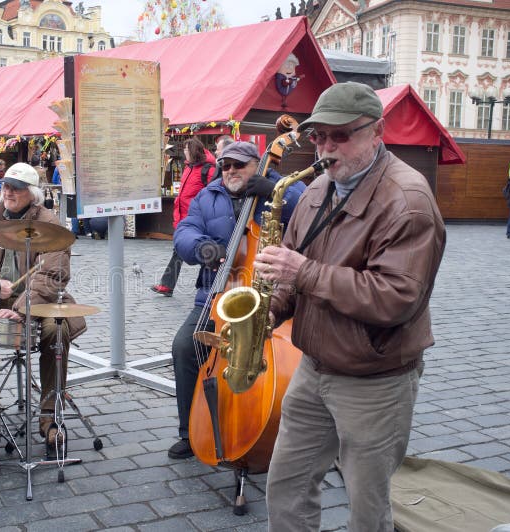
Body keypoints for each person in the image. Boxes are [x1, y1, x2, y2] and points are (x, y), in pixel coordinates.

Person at [252, 82, 446, 531]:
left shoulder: (408, 201)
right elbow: (292, 273)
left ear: (377, 131)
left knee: (367, 507)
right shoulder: (319, 187)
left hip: (375, 380)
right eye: (319, 135)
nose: (325, 146)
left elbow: (396, 298)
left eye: (341, 135)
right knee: (286, 486)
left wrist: (302, 273)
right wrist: (269, 310)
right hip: (314, 368)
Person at [167, 141, 305, 459]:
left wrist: (274, 191)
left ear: (258, 165)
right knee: (185, 347)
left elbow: (313, 211)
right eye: (225, 165)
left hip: (272, 297)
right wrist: (202, 247)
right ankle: (190, 432)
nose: (230, 171)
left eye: (239, 165)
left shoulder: (283, 188)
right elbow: (184, 230)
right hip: (217, 295)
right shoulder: (208, 195)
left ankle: (273, 426)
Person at [0, 162, 86, 450]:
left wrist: (23, 305)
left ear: (32, 193)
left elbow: (55, 274)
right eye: (5, 186)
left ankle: (49, 418)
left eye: (16, 188)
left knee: (57, 330)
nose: (8, 192)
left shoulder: (49, 223)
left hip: (40, 301)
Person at [151, 138, 217, 296]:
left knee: (202, 252)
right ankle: (168, 285)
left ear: (193, 151)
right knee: (180, 250)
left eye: (186, 150)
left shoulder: (208, 169)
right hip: (183, 217)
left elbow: (212, 193)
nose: (184, 153)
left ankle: (209, 286)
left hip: (197, 219)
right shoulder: (188, 167)